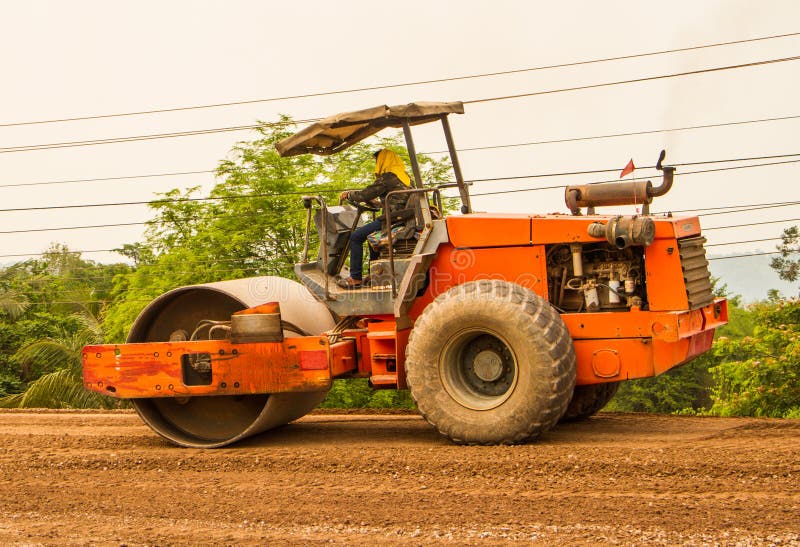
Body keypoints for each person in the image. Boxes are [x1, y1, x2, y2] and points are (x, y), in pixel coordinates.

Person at [337, 149, 412, 289]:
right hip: (403, 217)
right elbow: (395, 200)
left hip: (392, 219)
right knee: (371, 236)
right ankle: (374, 274)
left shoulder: (388, 177)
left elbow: (363, 195)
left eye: (377, 161)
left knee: (356, 237)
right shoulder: (406, 177)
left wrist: (349, 194)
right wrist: (376, 203)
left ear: (383, 160)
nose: (376, 164)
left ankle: (355, 278)